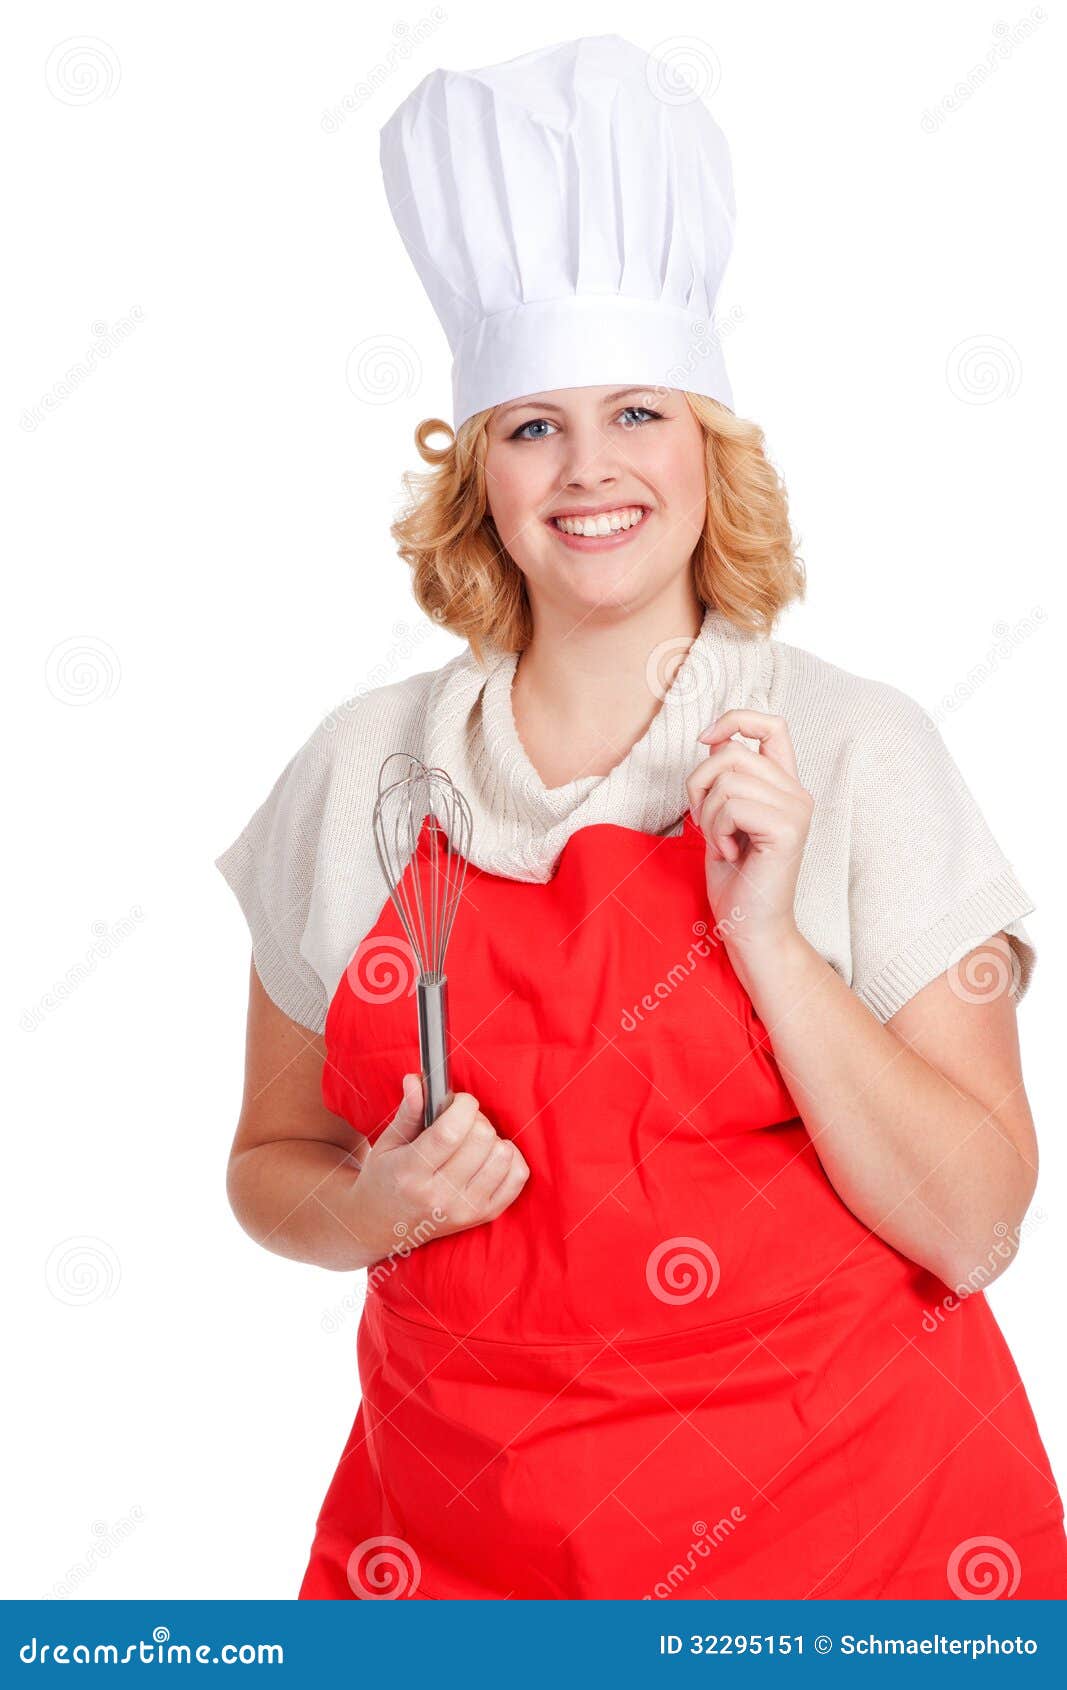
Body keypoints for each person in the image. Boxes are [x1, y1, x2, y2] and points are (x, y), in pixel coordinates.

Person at [214, 35, 1067, 1600]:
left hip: (849, 1553)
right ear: (478, 473)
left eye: (637, 413)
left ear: (708, 446)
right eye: (533, 425)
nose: (589, 469)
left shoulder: (859, 752)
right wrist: (371, 1205)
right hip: (461, 1558)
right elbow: (272, 1160)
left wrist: (772, 943)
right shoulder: (361, 773)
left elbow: (974, 1228)